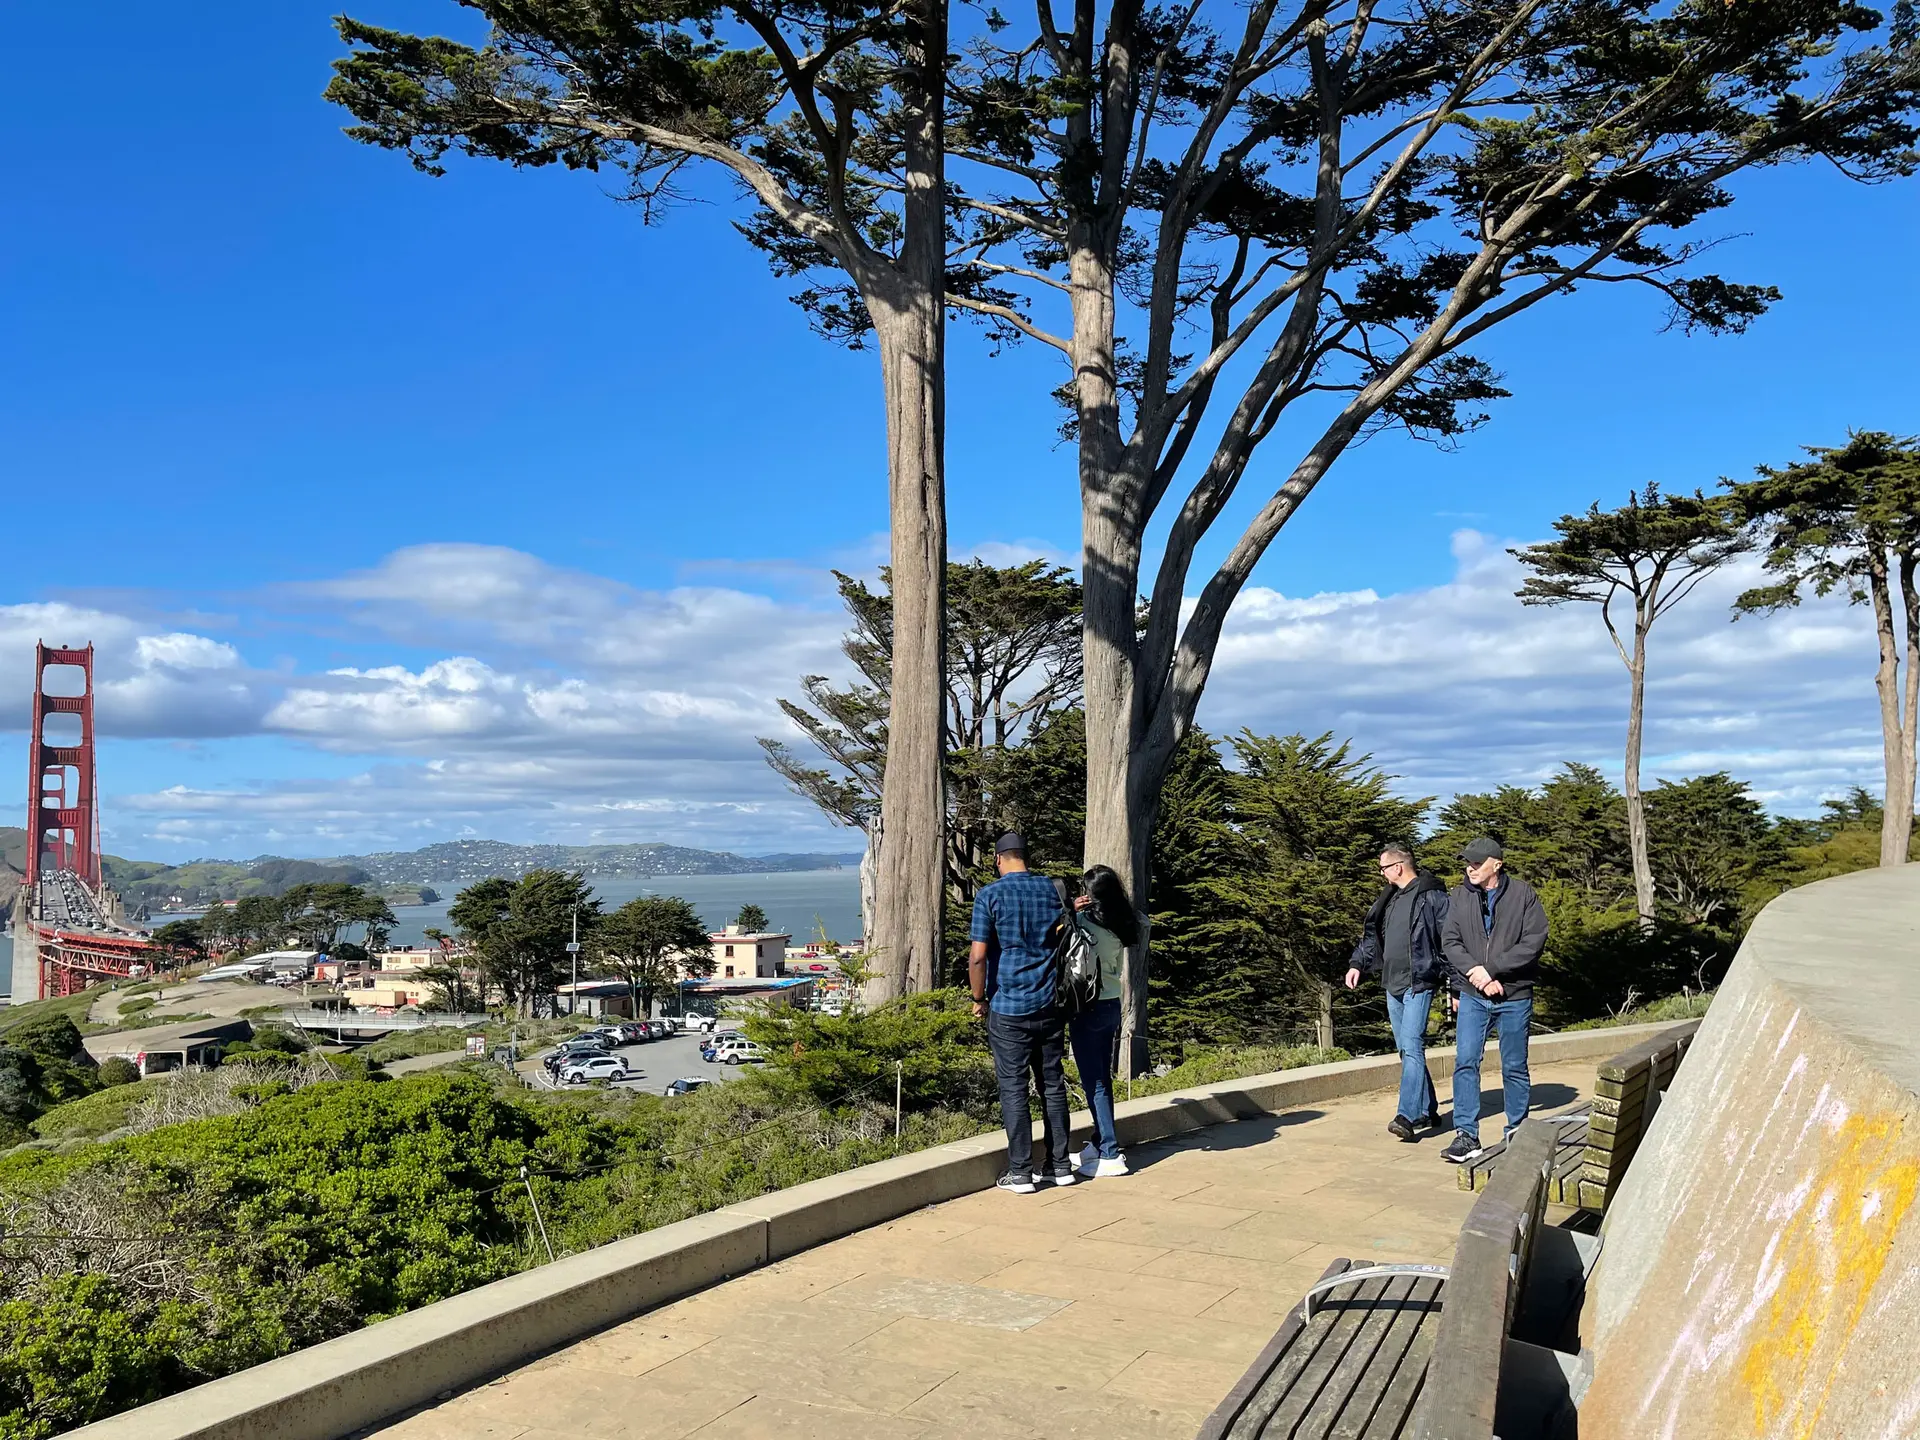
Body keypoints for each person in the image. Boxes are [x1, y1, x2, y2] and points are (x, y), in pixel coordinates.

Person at [969, 831, 1075, 1193]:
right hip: (1050, 1002)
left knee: (1013, 1089)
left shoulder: (990, 895)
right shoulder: (1052, 889)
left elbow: (979, 955)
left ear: (999, 860)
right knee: (1053, 1085)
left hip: (1008, 1005)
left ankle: (1020, 1173)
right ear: (1025, 856)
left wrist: (978, 997)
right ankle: (1060, 1166)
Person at [1438, 837, 1549, 1164]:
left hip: (1514, 995)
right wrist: (1474, 972)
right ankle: (1466, 1136)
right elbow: (1450, 940)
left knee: (1514, 1065)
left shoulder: (1524, 895)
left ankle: (1517, 1132)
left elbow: (1534, 941)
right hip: (1473, 995)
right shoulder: (1459, 896)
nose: (1470, 868)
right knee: (1466, 1062)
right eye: (1468, 863)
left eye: (1476, 863)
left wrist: (1492, 970)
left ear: (1496, 865)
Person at [1344, 845, 1448, 1142]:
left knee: (1413, 1045)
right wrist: (1357, 965)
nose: (1382, 874)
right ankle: (1428, 1108)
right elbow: (1372, 937)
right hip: (1393, 984)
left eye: (1383, 868)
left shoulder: (1431, 896)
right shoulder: (1388, 899)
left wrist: (1456, 986)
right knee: (1405, 1049)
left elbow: (1449, 940)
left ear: (1398, 867)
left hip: (1420, 983)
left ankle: (1407, 1115)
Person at [1069, 864, 1134, 1178]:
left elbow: (1054, 929)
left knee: (1092, 1082)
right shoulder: (1122, 923)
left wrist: (1070, 908)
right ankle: (1097, 1142)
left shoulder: (1082, 922)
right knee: (1103, 1079)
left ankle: (1110, 1152)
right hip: (1111, 1004)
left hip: (1086, 1007)